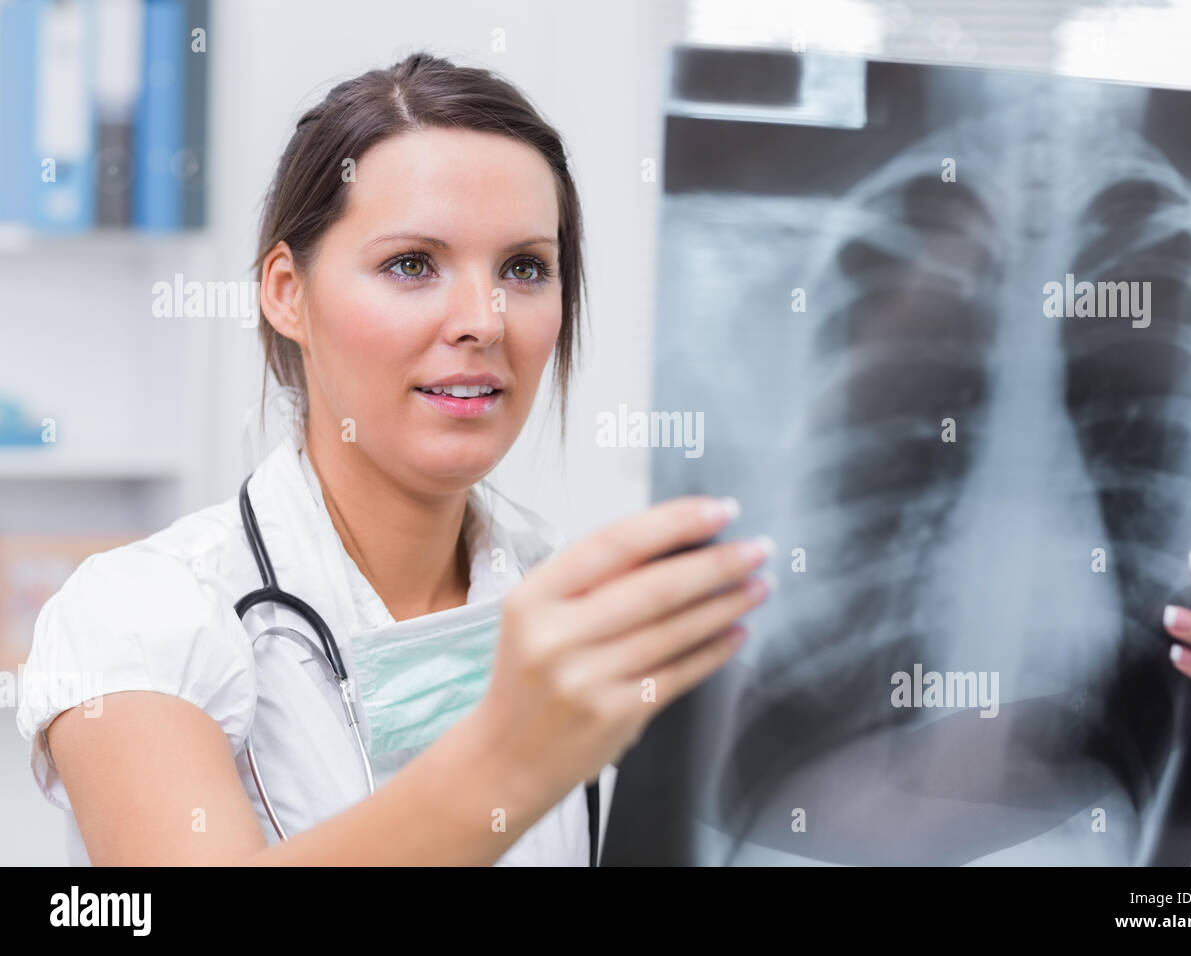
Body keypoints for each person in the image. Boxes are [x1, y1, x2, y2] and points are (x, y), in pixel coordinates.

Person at [15, 53, 773, 866]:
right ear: (286, 293)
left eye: (525, 268)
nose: (484, 321)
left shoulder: (569, 598)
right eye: (412, 264)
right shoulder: (140, 615)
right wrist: (515, 759)